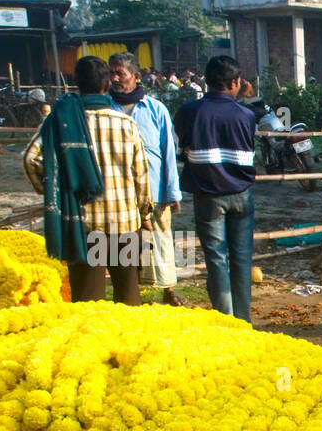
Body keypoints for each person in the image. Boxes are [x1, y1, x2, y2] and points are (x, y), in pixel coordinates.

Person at [24, 55, 152, 305]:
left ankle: (92, 343)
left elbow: (31, 159)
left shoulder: (60, 122)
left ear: (77, 85)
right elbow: (141, 175)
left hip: (81, 224)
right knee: (128, 295)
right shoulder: (126, 124)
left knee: (87, 299)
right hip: (123, 221)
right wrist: (145, 213)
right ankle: (126, 343)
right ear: (106, 85)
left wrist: (53, 190)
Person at [175, 55, 257, 322]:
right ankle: (242, 321)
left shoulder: (188, 112)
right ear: (234, 82)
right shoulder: (246, 115)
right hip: (241, 195)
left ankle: (225, 321)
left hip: (208, 195)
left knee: (216, 258)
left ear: (207, 81)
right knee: (242, 258)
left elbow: (182, 150)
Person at [109, 52, 185, 307]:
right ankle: (128, 293)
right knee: (124, 240)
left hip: (154, 191)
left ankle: (168, 290)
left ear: (137, 77)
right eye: (112, 73)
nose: (115, 78)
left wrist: (173, 192)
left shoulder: (156, 109)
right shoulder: (105, 109)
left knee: (162, 238)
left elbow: (168, 152)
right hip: (118, 192)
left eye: (121, 73)